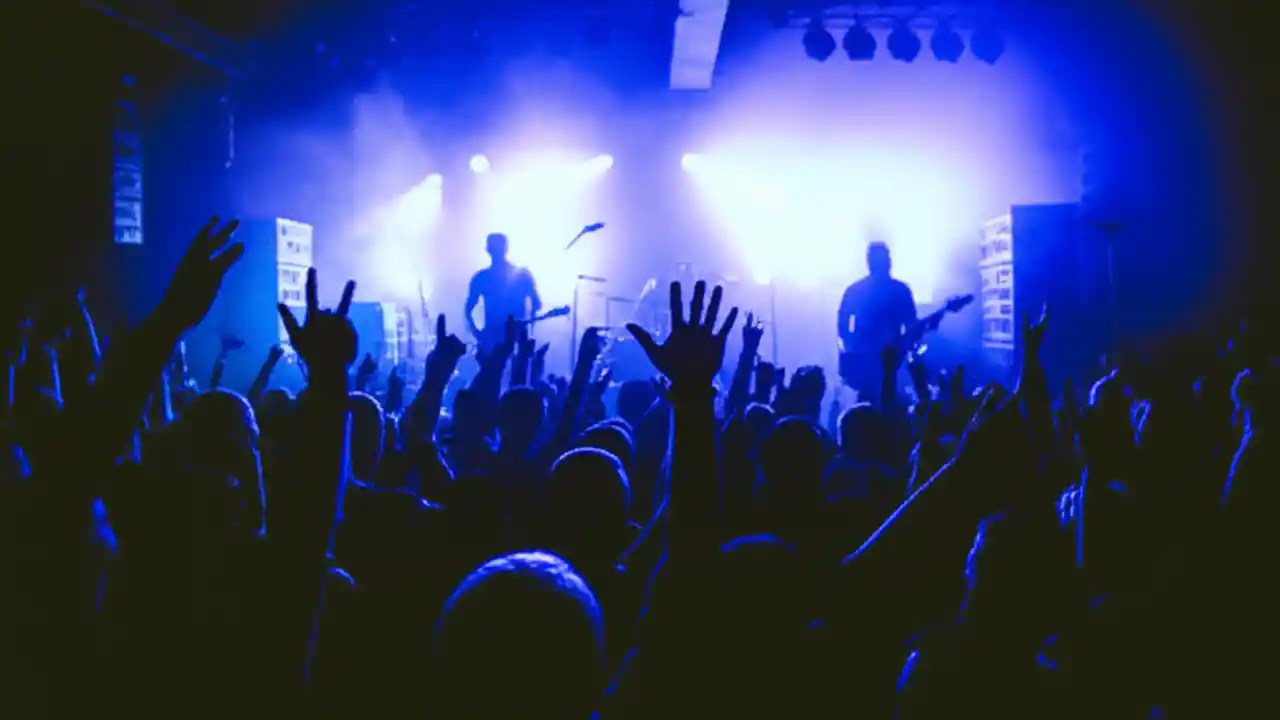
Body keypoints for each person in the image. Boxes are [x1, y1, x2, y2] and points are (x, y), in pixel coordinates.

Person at [837, 241, 918, 403]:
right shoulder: (899, 290)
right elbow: (911, 327)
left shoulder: (856, 290)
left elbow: (842, 323)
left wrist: (851, 347)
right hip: (879, 359)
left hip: (881, 359)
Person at [464, 233, 542, 354]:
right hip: (511, 339)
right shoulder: (522, 275)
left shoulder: (482, 277)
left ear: (487, 250)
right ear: (506, 249)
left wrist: (478, 334)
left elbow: (468, 310)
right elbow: (536, 305)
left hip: (496, 340)